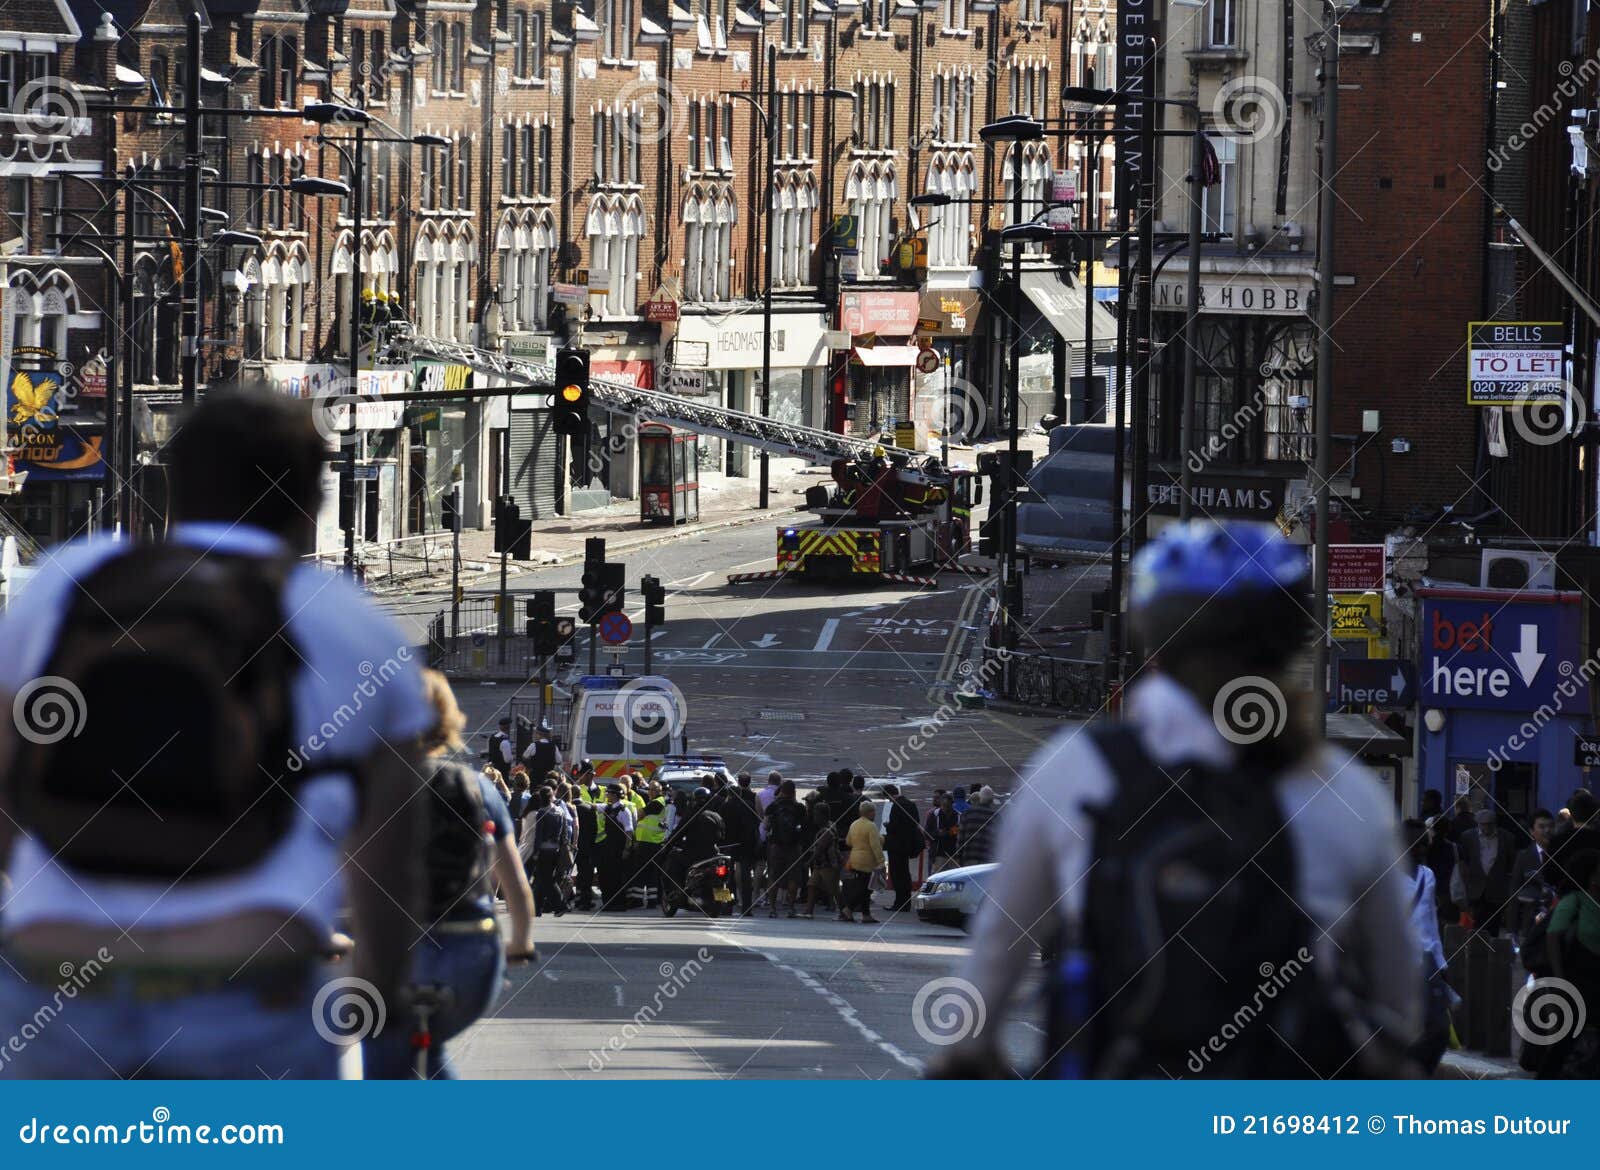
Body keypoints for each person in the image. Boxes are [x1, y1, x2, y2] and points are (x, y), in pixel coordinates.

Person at [0, 390, 432, 1079]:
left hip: (55, 982)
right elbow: (387, 861)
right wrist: (381, 992)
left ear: (174, 485)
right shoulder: (355, 627)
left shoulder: (65, 584)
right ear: (308, 504)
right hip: (247, 990)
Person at [938, 520, 1419, 1079]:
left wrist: (966, 1058)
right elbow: (1399, 997)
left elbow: (995, 959)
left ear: (1156, 645)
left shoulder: (1076, 768)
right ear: (1290, 642)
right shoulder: (1345, 792)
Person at [365, 671, 535, 1079]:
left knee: (383, 1055)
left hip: (397, 947)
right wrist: (521, 941)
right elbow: (514, 883)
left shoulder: (370, 788)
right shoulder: (478, 787)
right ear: (447, 720)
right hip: (471, 948)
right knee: (427, 1046)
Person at [1540, 849, 1600, 1077]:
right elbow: (1553, 937)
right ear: (1591, 877)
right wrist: (1559, 980)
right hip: (1576, 981)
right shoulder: (1574, 902)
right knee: (1565, 1042)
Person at [1401, 819, 1453, 1075]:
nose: (1423, 849)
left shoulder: (1427, 875)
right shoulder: (1385, 878)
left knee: (1439, 1029)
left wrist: (1441, 962)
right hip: (1398, 964)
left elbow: (1431, 921)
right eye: (1418, 844)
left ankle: (1417, 1072)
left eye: (1425, 843)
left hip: (1427, 962)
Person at [1454, 807, 1517, 933]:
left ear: (1494, 824)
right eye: (1482, 824)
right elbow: (1464, 861)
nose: (1485, 828)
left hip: (1497, 889)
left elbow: (1511, 863)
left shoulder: (1507, 838)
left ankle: (1490, 943)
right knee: (1475, 924)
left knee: (1493, 925)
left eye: (1489, 824)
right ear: (1477, 824)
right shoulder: (1468, 837)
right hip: (1475, 889)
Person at [662, 788, 725, 900]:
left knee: (673, 859)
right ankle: (724, 899)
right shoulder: (717, 816)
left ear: (694, 801)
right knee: (721, 876)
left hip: (693, 856)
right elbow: (723, 836)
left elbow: (678, 833)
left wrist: (668, 845)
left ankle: (677, 893)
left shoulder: (691, 815)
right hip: (712, 855)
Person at [525, 787, 572, 917]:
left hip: (544, 850)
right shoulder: (560, 811)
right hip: (556, 849)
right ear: (552, 796)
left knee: (547, 879)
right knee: (542, 878)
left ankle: (561, 905)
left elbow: (539, 836)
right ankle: (537, 908)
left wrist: (535, 852)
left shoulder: (541, 813)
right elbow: (565, 833)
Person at [764, 780, 808, 917]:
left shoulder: (773, 806)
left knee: (773, 876)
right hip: (794, 846)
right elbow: (804, 826)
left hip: (776, 846)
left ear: (781, 791)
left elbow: (766, 826)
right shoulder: (799, 807)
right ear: (794, 792)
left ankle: (772, 908)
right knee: (793, 877)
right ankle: (791, 908)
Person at [1512, 809, 1557, 938]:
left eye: (1550, 826)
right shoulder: (1523, 856)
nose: (1547, 830)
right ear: (1532, 831)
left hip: (1557, 921)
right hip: (1530, 923)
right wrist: (1512, 931)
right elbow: (1514, 893)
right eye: (1542, 827)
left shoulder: (1562, 854)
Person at [882, 783, 924, 914]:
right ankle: (906, 903)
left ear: (889, 795)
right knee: (905, 874)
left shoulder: (896, 806)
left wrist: (888, 825)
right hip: (907, 845)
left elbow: (895, 827)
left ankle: (899, 903)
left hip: (896, 846)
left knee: (897, 875)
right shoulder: (911, 804)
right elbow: (915, 822)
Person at [841, 801, 885, 924]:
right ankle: (848, 909)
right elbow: (875, 845)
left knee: (864, 887)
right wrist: (881, 861)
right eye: (874, 812)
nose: (875, 814)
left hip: (854, 859)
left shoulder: (854, 824)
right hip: (867, 861)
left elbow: (848, 841)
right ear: (870, 812)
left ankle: (866, 914)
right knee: (865, 889)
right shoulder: (871, 826)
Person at [597, 784, 636, 911]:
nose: (606, 795)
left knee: (617, 876)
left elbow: (629, 831)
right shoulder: (608, 807)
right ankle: (608, 903)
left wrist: (627, 849)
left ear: (614, 795)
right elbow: (594, 806)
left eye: (608, 793)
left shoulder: (623, 811)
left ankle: (618, 904)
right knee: (607, 875)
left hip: (619, 848)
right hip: (609, 847)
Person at [801, 803, 840, 919]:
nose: (814, 818)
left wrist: (808, 862)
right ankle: (808, 911)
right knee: (812, 885)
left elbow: (819, 849)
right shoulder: (830, 825)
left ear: (824, 816)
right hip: (820, 864)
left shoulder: (826, 831)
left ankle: (845, 910)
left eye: (816, 815)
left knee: (834, 889)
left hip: (827, 864)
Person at [954, 786, 999, 868]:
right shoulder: (995, 816)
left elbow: (960, 838)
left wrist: (959, 857)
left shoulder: (967, 814)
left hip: (969, 858)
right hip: (988, 860)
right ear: (992, 800)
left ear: (980, 798)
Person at [925, 792, 960, 873]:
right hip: (938, 854)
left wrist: (948, 833)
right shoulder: (933, 815)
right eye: (943, 805)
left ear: (952, 804)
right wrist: (938, 833)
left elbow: (960, 831)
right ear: (941, 804)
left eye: (947, 806)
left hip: (954, 854)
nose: (945, 808)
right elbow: (926, 833)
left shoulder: (958, 816)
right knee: (938, 877)